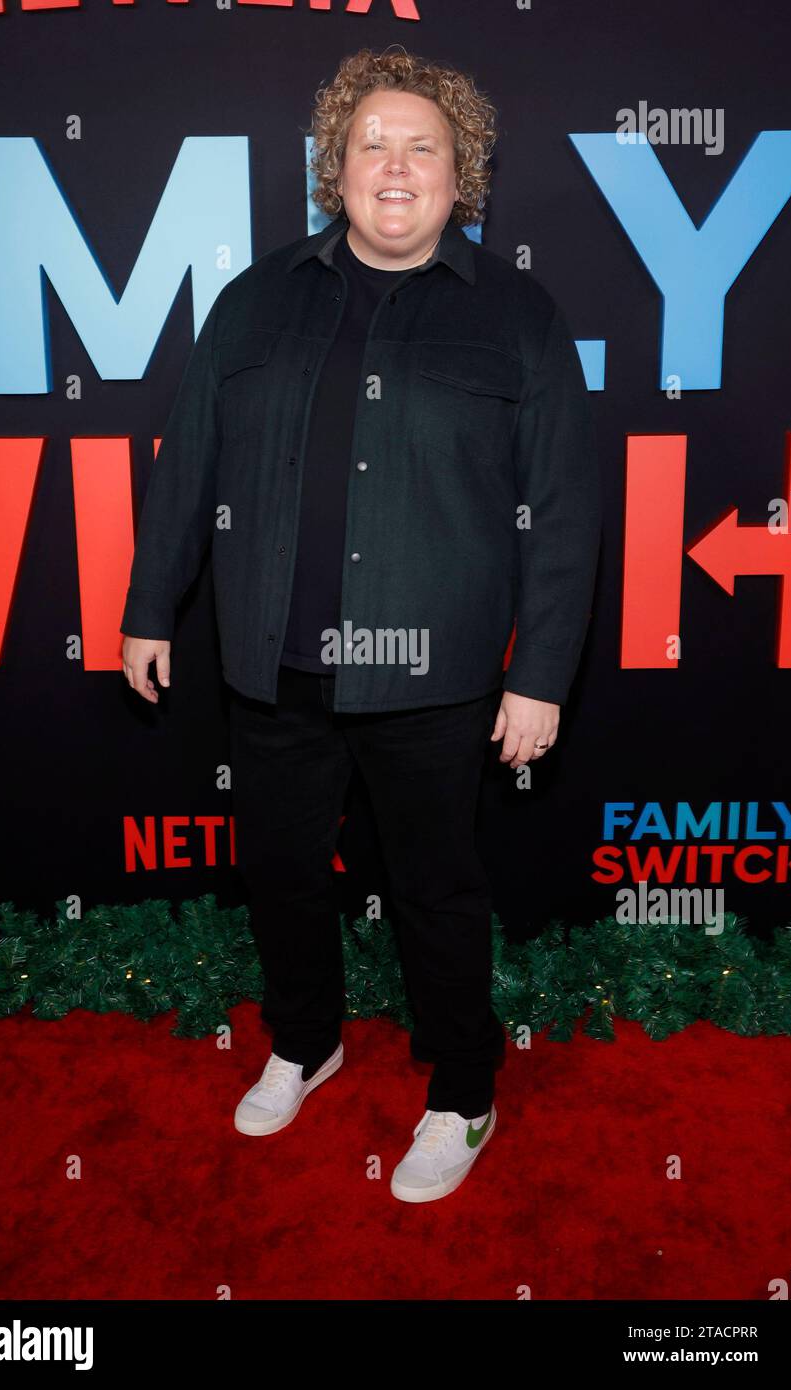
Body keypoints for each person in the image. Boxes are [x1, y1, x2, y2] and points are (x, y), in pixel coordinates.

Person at [121, 46, 602, 1204]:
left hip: (435, 679)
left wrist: (536, 676)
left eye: (421, 147)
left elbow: (567, 515)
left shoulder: (518, 318)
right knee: (281, 871)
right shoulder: (256, 299)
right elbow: (190, 463)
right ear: (335, 168)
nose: (395, 166)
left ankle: (462, 1092)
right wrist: (148, 606)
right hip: (271, 665)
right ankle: (305, 1039)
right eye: (371, 145)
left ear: (460, 174)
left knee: (436, 888)